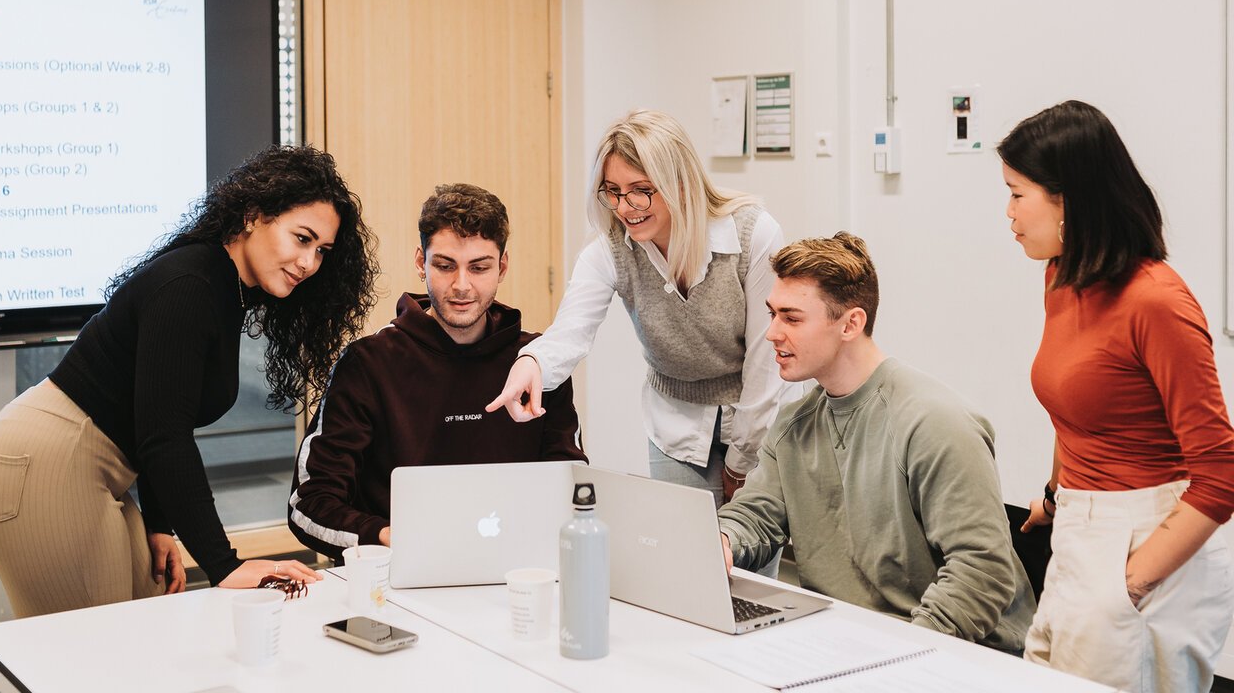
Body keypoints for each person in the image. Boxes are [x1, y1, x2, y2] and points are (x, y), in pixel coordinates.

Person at [0, 145, 378, 617]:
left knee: (139, 627)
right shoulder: (192, 285)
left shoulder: (223, 286)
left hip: (87, 465)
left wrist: (161, 524)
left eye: (321, 251)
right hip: (46, 464)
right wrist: (224, 565)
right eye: (301, 238)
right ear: (252, 216)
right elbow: (165, 436)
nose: (309, 262)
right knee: (95, 657)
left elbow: (156, 413)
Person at [1000, 100, 1234, 692]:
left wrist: (1128, 582)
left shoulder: (1157, 302)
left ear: (1068, 199)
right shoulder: (1061, 274)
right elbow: (1075, 405)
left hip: (1145, 537)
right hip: (1081, 528)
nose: (1008, 214)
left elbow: (1222, 474)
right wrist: (1056, 499)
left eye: (1018, 194)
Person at [716, 233, 1035, 652]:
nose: (771, 333)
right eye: (772, 314)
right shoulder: (795, 423)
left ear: (851, 323)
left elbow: (981, 573)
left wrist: (900, 656)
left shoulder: (934, 422)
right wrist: (719, 542)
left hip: (954, 654)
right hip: (847, 642)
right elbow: (756, 517)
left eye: (791, 318)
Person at [487, 109, 787, 507]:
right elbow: (570, 331)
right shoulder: (610, 251)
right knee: (683, 552)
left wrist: (743, 461)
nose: (626, 207)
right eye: (613, 191)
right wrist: (533, 363)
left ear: (680, 183)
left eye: (641, 189)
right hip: (676, 423)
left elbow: (768, 361)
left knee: (748, 556)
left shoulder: (754, 234)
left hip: (758, 412)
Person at [288, 183, 586, 562]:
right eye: (445, 266)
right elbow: (310, 504)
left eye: (479, 267)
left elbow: (569, 483)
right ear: (420, 262)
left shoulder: (538, 363)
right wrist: (384, 537)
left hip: (516, 571)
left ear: (503, 266)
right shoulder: (368, 364)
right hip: (397, 576)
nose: (462, 286)